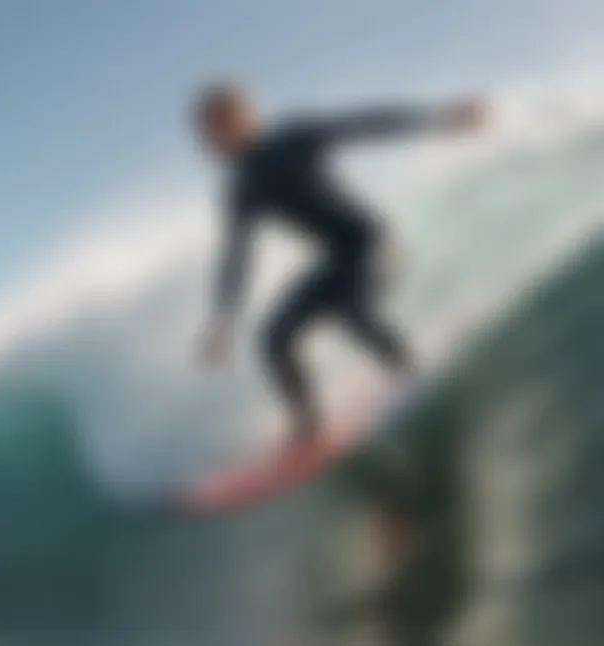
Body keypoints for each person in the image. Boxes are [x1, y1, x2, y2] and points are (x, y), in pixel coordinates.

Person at [195, 82, 485, 444]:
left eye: (213, 127)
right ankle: (308, 427)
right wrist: (223, 319)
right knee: (273, 338)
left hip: (374, 245)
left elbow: (365, 124)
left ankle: (412, 374)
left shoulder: (293, 139)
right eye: (205, 133)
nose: (207, 141)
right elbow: (236, 257)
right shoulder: (242, 190)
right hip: (336, 261)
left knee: (350, 311)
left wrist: (440, 117)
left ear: (242, 117)